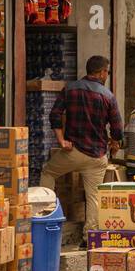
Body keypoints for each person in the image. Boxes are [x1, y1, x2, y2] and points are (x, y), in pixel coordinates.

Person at [42, 55, 123, 228]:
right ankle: (89, 236)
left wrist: (61, 140)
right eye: (106, 72)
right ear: (101, 73)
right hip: (97, 156)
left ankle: (46, 215)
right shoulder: (108, 96)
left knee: (48, 173)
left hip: (73, 152)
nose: (106, 75)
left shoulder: (70, 88)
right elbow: (117, 129)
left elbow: (54, 114)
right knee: (93, 196)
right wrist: (115, 143)